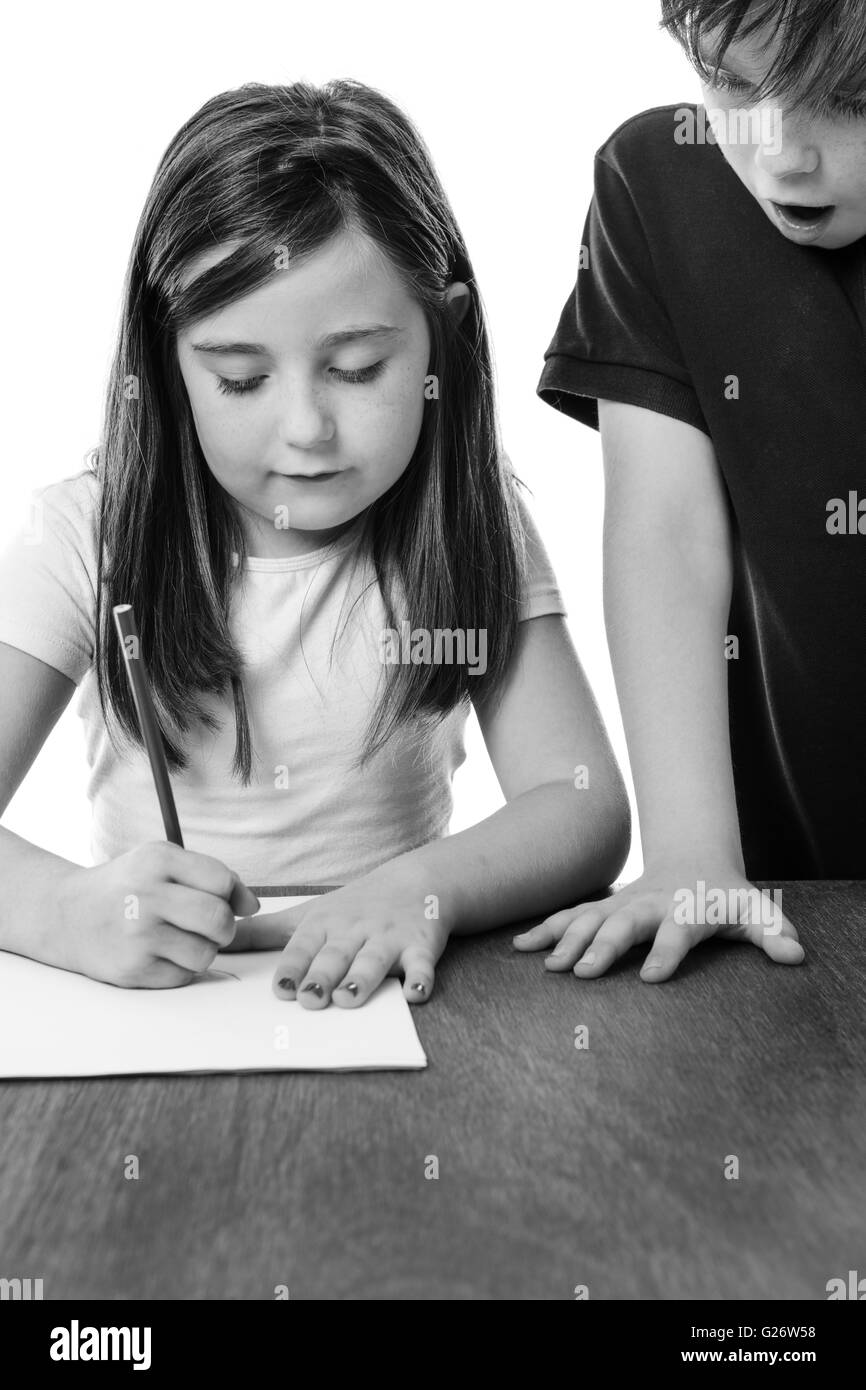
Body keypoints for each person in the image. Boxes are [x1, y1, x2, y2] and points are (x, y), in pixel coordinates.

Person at [0, 80, 629, 1007]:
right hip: (156, 1010)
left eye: (357, 369)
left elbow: (583, 804)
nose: (307, 429)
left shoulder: (474, 523)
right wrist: (62, 913)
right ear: (168, 367)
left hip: (383, 1005)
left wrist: (421, 888)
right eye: (242, 380)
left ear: (442, 340)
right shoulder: (83, 536)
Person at [521, 0, 866, 983]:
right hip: (790, 918)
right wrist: (687, 857)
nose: (783, 155)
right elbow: (664, 532)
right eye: (735, 84)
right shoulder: (653, 182)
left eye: (848, 99)